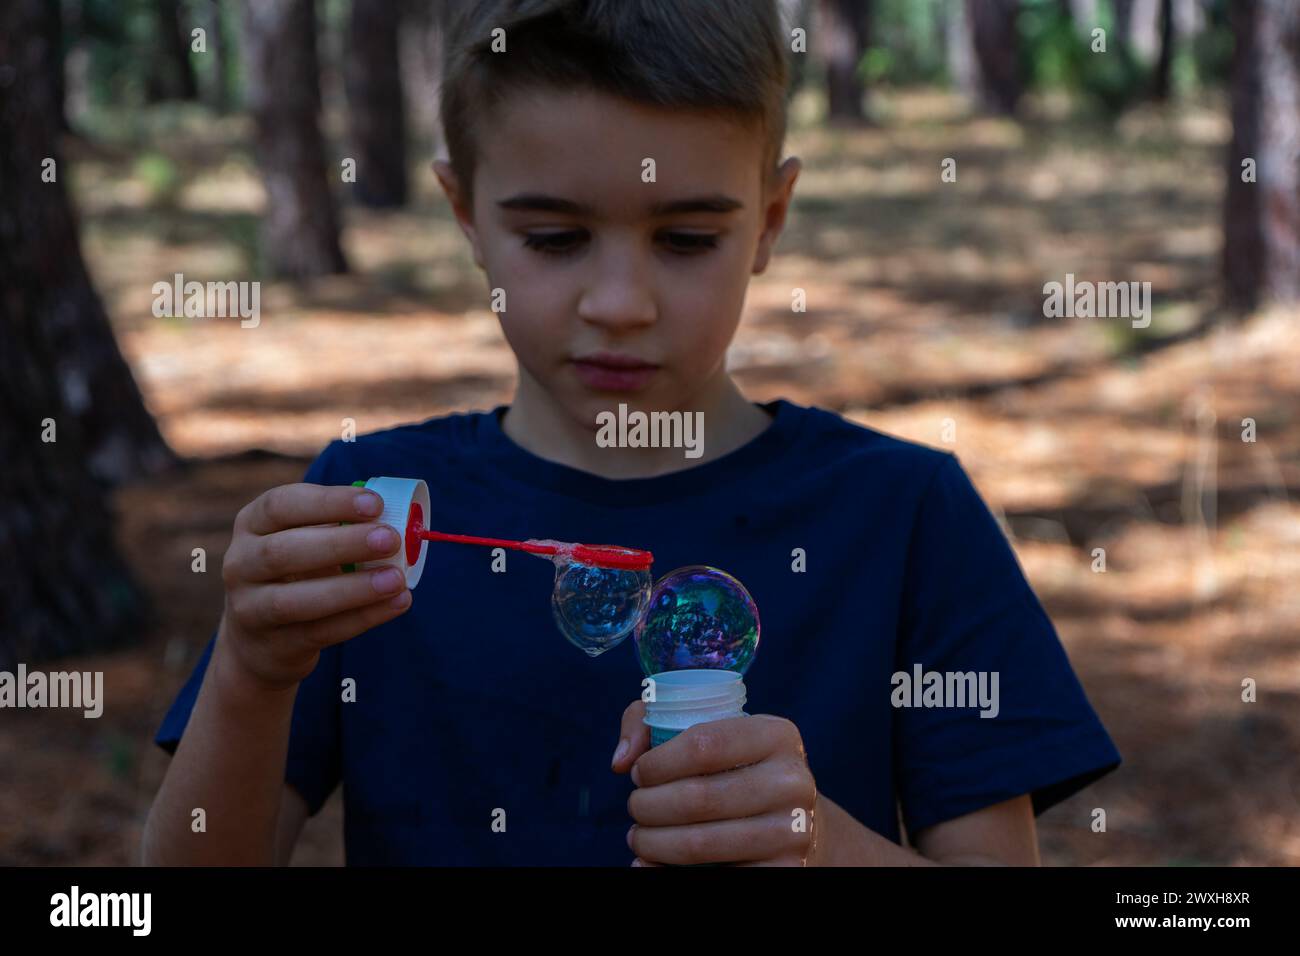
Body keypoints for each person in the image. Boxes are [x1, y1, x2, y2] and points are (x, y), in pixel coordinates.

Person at [142, 0, 1120, 866]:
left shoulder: (906, 517)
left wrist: (821, 844)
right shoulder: (366, 512)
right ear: (466, 217)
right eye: (555, 238)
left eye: (688, 239)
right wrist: (252, 668)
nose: (619, 303)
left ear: (770, 219)